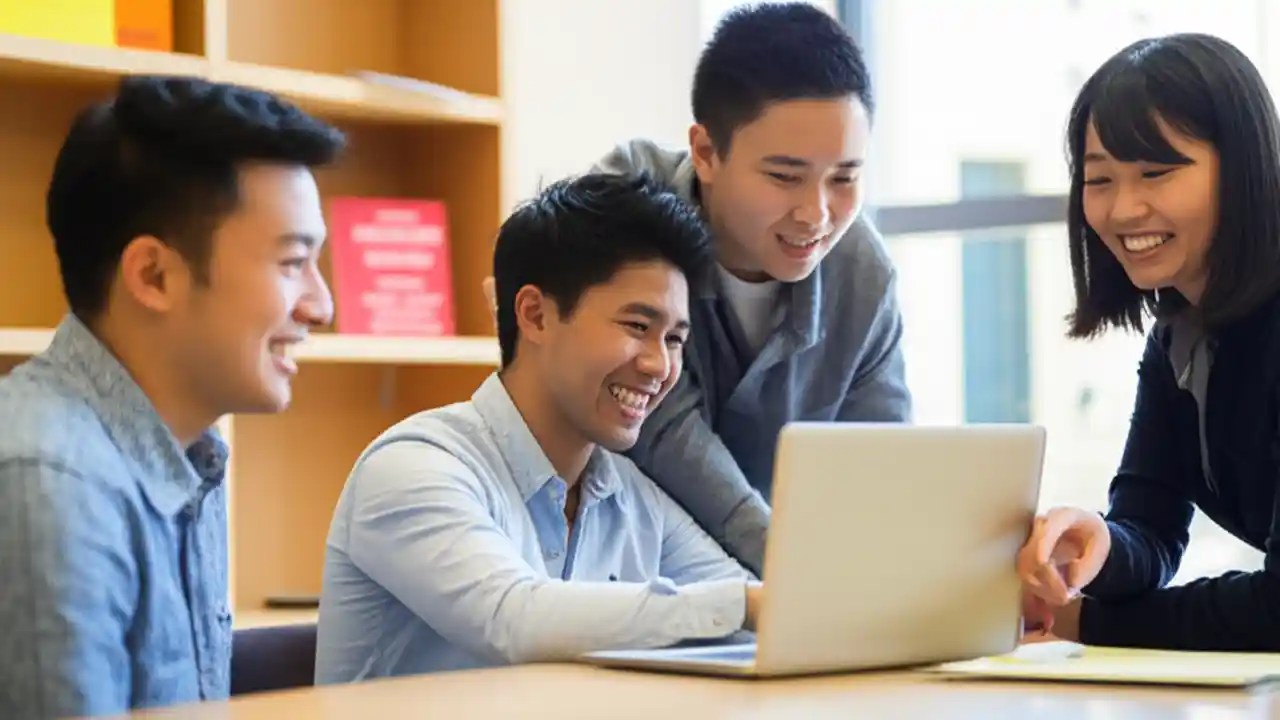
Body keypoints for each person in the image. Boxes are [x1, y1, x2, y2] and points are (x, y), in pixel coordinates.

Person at [483, 2, 912, 574]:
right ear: (706, 153)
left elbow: (883, 469)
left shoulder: (864, 274)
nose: (817, 214)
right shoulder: (632, 202)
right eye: (784, 177)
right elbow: (657, 426)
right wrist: (791, 573)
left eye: (845, 178)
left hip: (755, 584)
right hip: (602, 551)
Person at [315, 173, 760, 684]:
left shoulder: (634, 499)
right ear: (534, 315)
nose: (660, 365)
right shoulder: (411, 467)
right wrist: (745, 603)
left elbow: (760, 623)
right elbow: (513, 619)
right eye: (638, 327)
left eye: (676, 339)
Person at [0, 75, 344, 716]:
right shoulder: (48, 483)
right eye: (292, 262)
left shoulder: (189, 451)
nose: (321, 305)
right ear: (154, 275)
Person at [1018, 33, 1280, 651]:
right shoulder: (1181, 333)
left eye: (1157, 173)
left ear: (1243, 166)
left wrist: (1086, 623)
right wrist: (1094, 547)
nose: (1123, 208)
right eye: (1099, 179)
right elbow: (1151, 527)